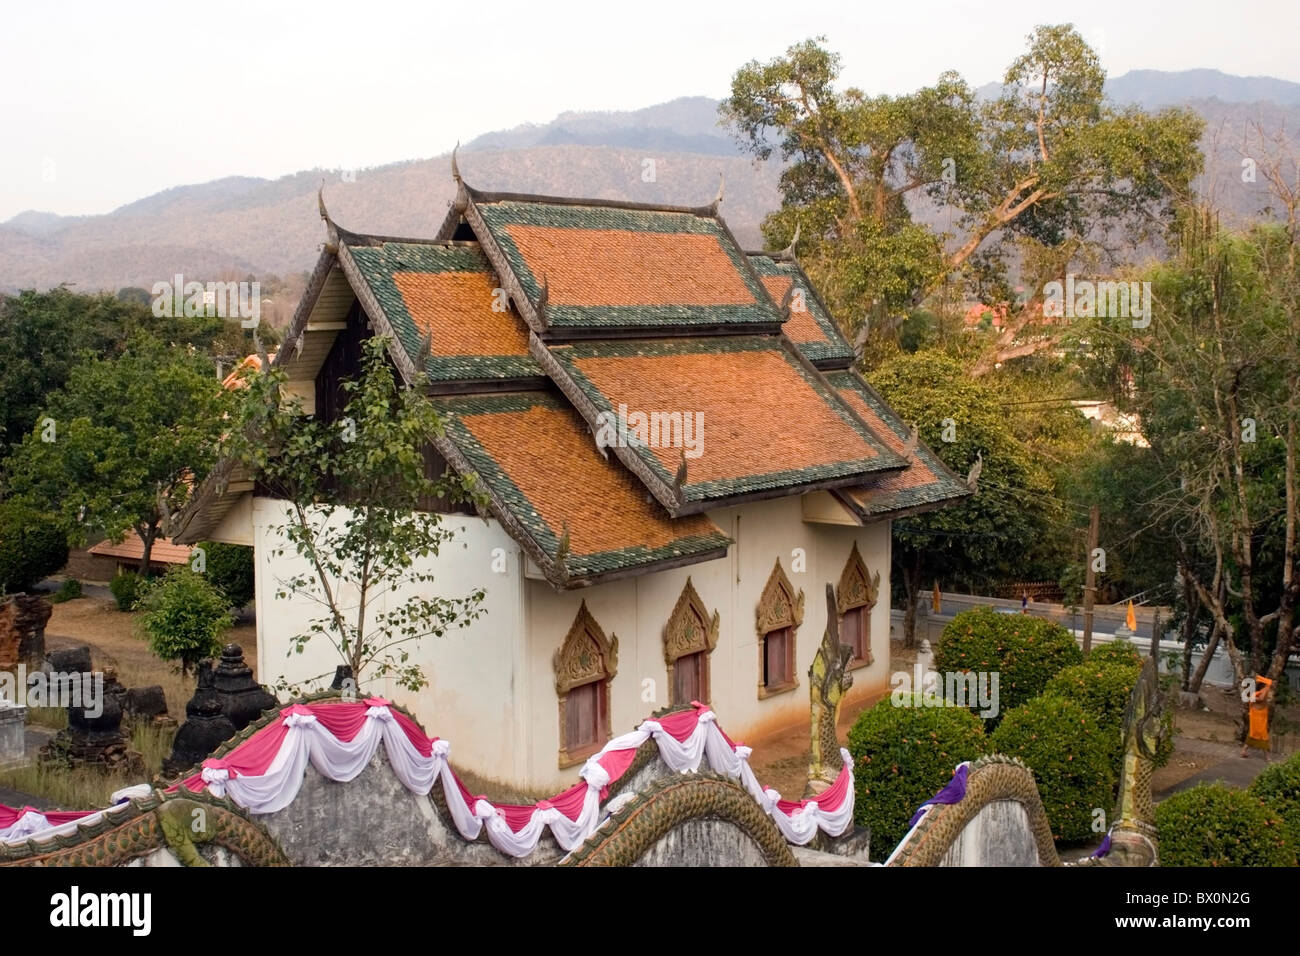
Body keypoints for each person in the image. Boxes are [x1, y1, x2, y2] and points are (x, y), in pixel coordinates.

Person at [1241, 675, 1273, 757]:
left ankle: (1244, 750)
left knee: (1255, 733)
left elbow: (1261, 699)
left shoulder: (1264, 689)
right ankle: (1267, 756)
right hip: (1258, 715)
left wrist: (1251, 697)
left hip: (1258, 714)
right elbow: (1261, 699)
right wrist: (1252, 697)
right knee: (1260, 734)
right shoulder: (1265, 689)